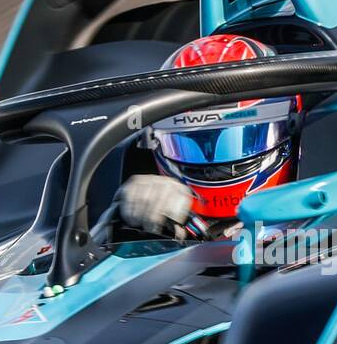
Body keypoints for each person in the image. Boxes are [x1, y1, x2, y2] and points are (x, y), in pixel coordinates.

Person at [114, 33, 301, 240]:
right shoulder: (157, 217)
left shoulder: (324, 221)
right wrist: (125, 229)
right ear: (155, 139)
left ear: (291, 124)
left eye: (238, 141)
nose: (215, 165)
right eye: (191, 143)